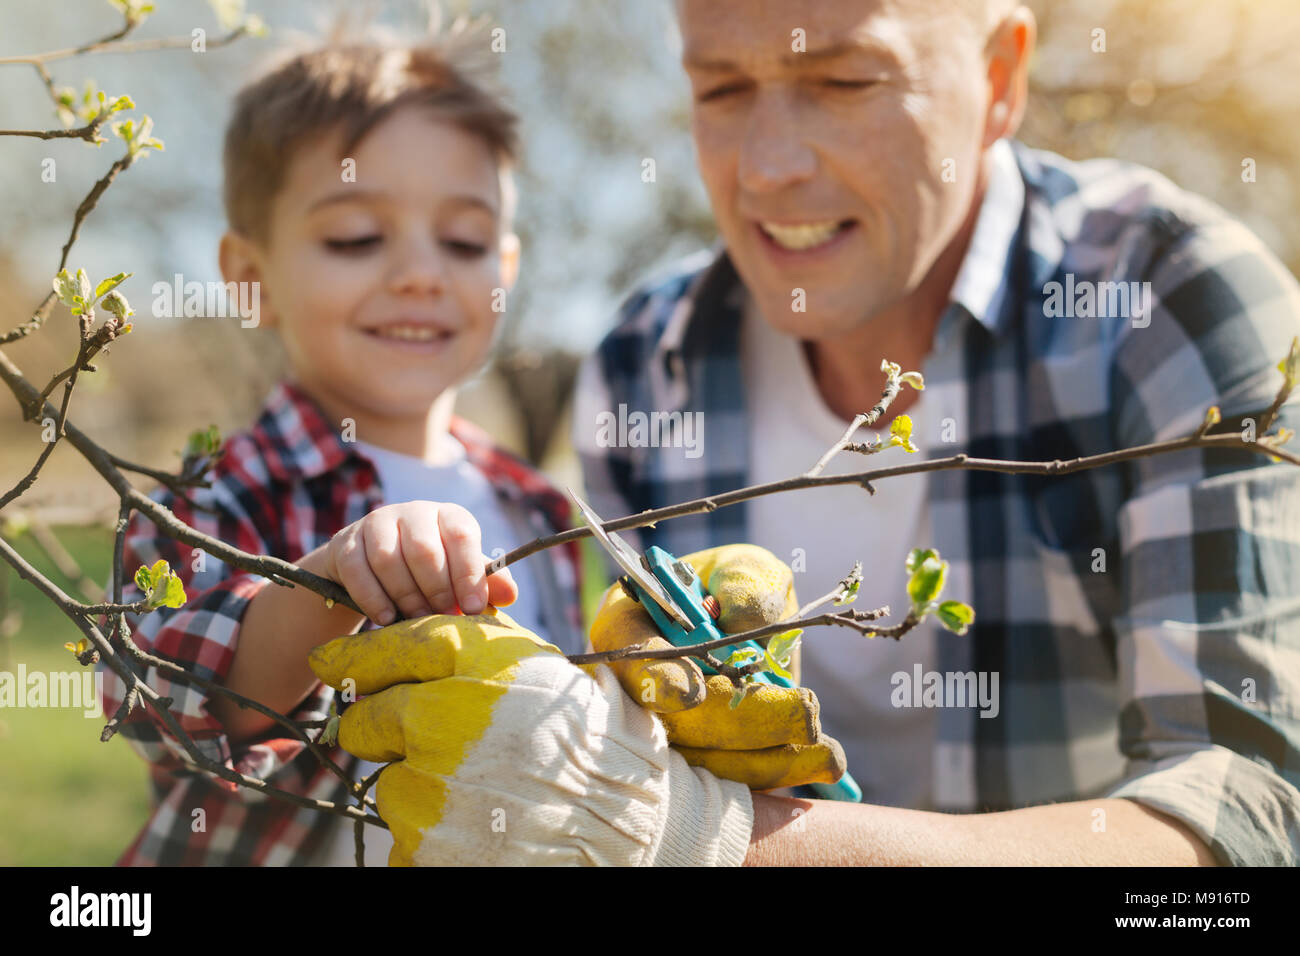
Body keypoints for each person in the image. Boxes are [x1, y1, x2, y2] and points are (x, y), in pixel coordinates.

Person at [313, 0, 1299, 865]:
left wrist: (690, 840)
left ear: (998, 79)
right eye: (722, 88)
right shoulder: (645, 361)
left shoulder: (1171, 306)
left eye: (844, 78)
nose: (767, 167)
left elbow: (1245, 822)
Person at [99, 23, 583, 866]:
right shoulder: (215, 494)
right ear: (252, 279)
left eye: (465, 242)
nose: (421, 273)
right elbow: (160, 703)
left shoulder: (537, 506)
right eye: (357, 236)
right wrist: (331, 583)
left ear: (504, 269)